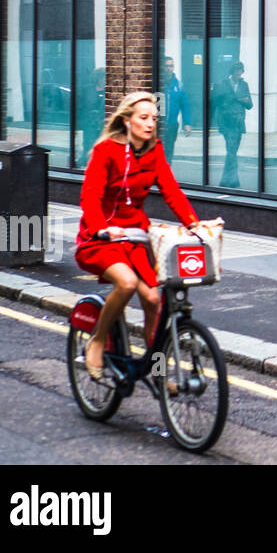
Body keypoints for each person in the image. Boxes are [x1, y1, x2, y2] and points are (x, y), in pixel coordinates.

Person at [75, 91, 201, 379]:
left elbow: (172, 192)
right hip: (102, 237)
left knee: (154, 300)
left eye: (153, 119)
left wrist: (195, 224)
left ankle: (157, 370)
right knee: (128, 283)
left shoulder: (154, 150)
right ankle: (96, 340)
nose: (150, 124)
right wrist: (101, 228)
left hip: (134, 237)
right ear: (127, 120)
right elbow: (90, 198)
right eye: (143, 118)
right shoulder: (106, 151)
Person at [213, 61, 252, 189]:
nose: (238, 76)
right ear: (232, 72)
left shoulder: (244, 85)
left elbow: (250, 105)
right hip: (226, 123)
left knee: (232, 151)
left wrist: (245, 101)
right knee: (231, 149)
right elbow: (215, 103)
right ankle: (233, 181)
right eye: (236, 73)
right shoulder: (221, 85)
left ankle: (225, 181)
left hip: (238, 122)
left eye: (240, 73)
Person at [159, 56, 192, 157]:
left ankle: (166, 171)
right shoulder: (158, 83)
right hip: (159, 126)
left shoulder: (179, 85)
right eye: (166, 66)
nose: (169, 68)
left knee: (169, 153)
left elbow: (185, 105)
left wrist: (187, 123)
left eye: (171, 66)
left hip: (172, 125)